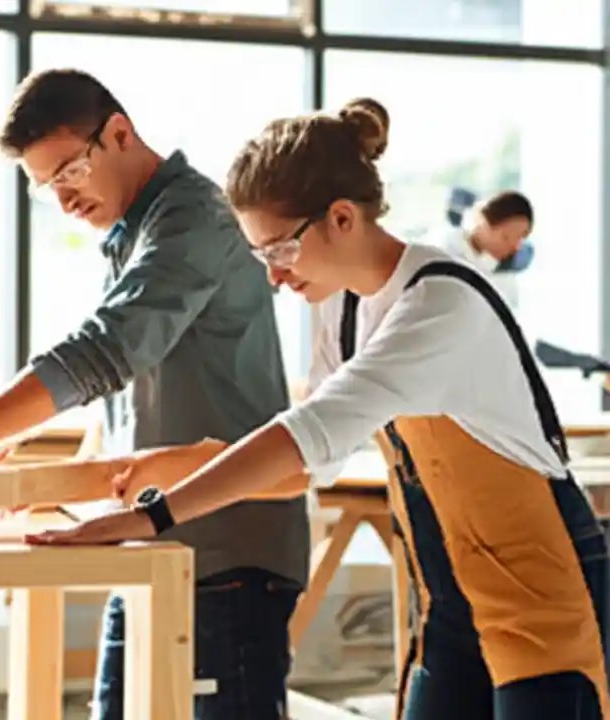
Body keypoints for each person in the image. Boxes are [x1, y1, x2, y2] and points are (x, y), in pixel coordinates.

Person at [30, 99, 610, 719]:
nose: (274, 278)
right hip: (449, 607)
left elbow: (307, 434)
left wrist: (151, 519)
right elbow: (305, 468)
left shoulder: (440, 305)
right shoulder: (344, 305)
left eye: (279, 252)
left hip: (545, 606)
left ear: (340, 218)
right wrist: (176, 463)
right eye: (260, 258)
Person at [0, 69, 309, 720]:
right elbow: (132, 390)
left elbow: (104, 351)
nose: (64, 200)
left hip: (223, 560)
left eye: (69, 173)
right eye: (48, 189)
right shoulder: (134, 231)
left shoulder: (192, 221)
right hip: (154, 549)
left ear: (120, 134)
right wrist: (55, 469)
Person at [434, 189, 535, 310]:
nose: (515, 247)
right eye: (506, 237)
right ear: (485, 223)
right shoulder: (445, 252)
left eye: (521, 239)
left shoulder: (493, 270)